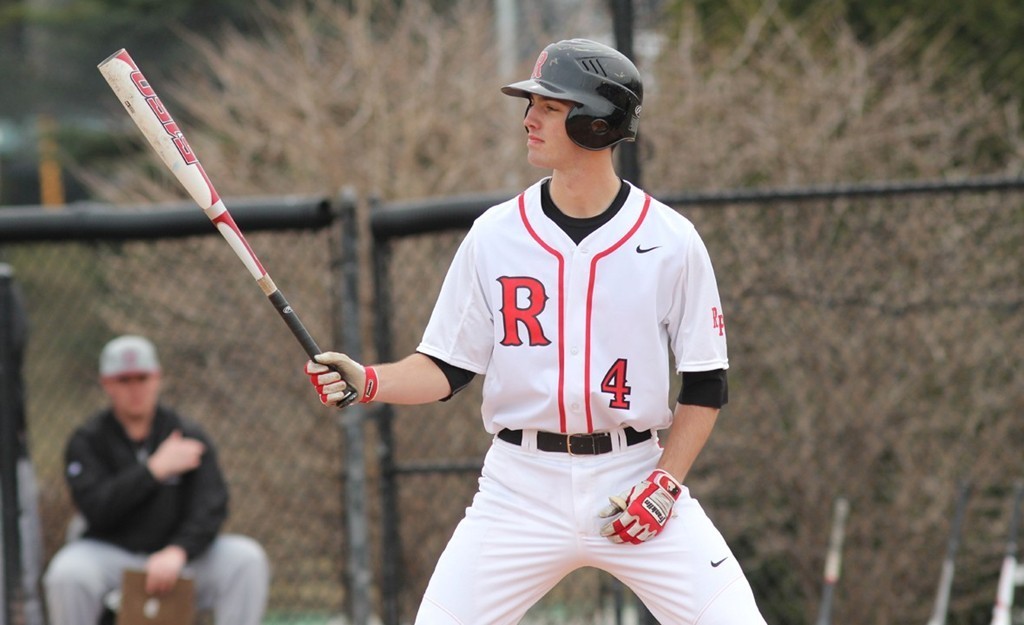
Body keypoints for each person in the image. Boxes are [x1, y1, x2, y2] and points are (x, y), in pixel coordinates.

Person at [307, 38, 767, 624]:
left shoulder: (672, 240)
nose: (529, 118)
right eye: (533, 105)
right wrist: (367, 380)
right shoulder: (495, 234)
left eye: (550, 107)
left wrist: (665, 484)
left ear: (598, 122)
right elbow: (447, 368)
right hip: (519, 487)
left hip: (632, 475)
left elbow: (706, 385)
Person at [43, 335, 269, 625]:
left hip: (181, 559)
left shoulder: (187, 434)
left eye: (142, 378)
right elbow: (96, 509)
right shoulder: (88, 440)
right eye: (124, 380)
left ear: (157, 378)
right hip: (112, 556)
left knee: (246, 558)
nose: (135, 388)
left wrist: (179, 550)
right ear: (106, 384)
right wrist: (153, 471)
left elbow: (211, 505)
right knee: (67, 574)